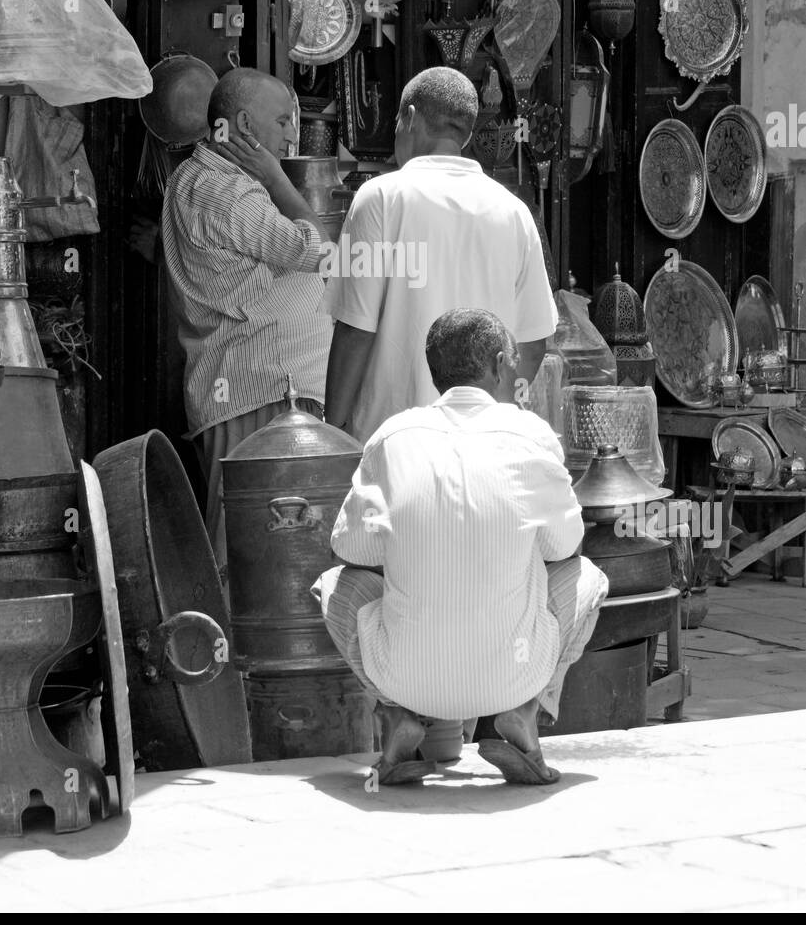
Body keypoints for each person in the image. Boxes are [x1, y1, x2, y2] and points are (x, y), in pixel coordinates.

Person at [312, 309, 608, 787]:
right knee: (588, 577)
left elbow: (351, 550)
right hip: (517, 669)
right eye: (512, 361)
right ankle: (527, 711)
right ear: (496, 365)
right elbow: (566, 545)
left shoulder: (393, 437)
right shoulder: (529, 434)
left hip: (403, 673)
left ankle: (398, 715)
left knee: (334, 586)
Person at [323, 66, 558, 443]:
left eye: (398, 123)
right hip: (484, 449)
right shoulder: (514, 212)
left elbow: (354, 330)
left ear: (410, 117)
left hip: (392, 446)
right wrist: (493, 421)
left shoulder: (380, 198)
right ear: (464, 137)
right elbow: (531, 345)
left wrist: (330, 433)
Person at [161, 69, 333, 573]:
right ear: (243, 122)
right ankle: (226, 649)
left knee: (264, 546)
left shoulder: (205, 182)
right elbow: (321, 253)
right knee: (251, 551)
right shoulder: (225, 190)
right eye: (281, 120)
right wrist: (278, 178)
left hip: (250, 390)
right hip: (259, 389)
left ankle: (234, 645)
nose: (290, 134)